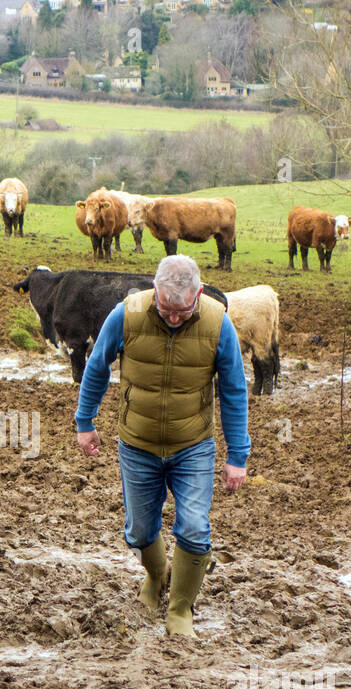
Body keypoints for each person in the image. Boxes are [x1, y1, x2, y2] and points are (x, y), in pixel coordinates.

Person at [74, 255, 250, 638]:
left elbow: (234, 391)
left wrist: (238, 455)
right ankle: (157, 575)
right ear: (155, 292)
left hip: (193, 446)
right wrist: (84, 422)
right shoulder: (126, 315)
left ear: (198, 294)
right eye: (166, 309)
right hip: (138, 444)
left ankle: (180, 608)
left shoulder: (218, 323)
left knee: (194, 528)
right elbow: (97, 367)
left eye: (182, 311)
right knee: (138, 531)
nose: (173, 318)